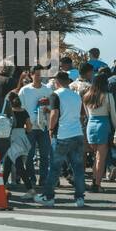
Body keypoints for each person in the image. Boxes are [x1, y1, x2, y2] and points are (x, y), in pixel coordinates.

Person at [36, 71, 86, 208]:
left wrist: (51, 129)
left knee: (55, 167)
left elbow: (55, 114)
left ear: (57, 82)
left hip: (62, 134)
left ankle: (48, 196)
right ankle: (80, 198)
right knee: (78, 168)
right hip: (77, 133)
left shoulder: (56, 94)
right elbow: (82, 114)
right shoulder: (76, 96)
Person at [82, 70, 116, 193]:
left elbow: (87, 114)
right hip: (103, 125)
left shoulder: (86, 96)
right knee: (100, 158)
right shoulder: (108, 96)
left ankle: (94, 180)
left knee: (95, 156)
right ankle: (97, 184)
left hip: (90, 125)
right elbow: (113, 115)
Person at [17, 67, 52, 193]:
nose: (39, 77)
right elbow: (19, 108)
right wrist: (24, 124)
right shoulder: (25, 90)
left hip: (44, 126)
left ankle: (43, 179)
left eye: (40, 75)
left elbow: (53, 106)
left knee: (44, 155)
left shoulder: (47, 89)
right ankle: (31, 178)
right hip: (30, 126)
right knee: (29, 155)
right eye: (36, 75)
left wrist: (48, 107)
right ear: (31, 75)